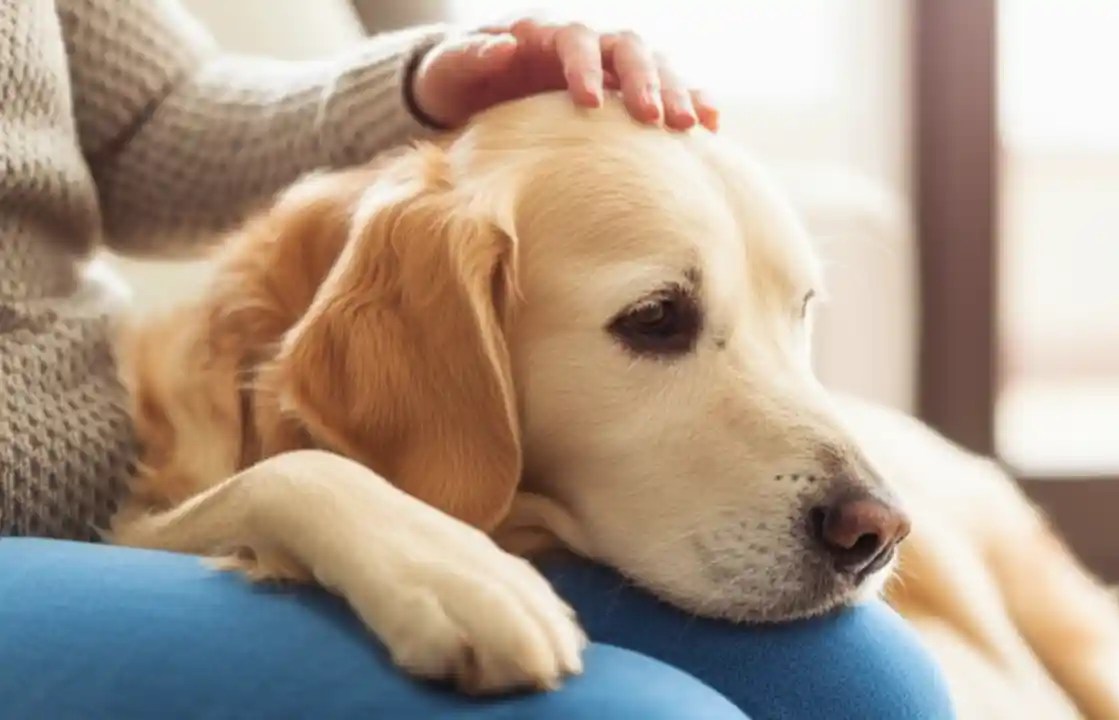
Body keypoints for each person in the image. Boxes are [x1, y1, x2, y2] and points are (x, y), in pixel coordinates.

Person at [0, 2, 953, 718]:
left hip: (115, 457)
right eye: (656, 319)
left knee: (870, 687)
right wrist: (301, 497)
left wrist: (424, 88)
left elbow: (145, 116)